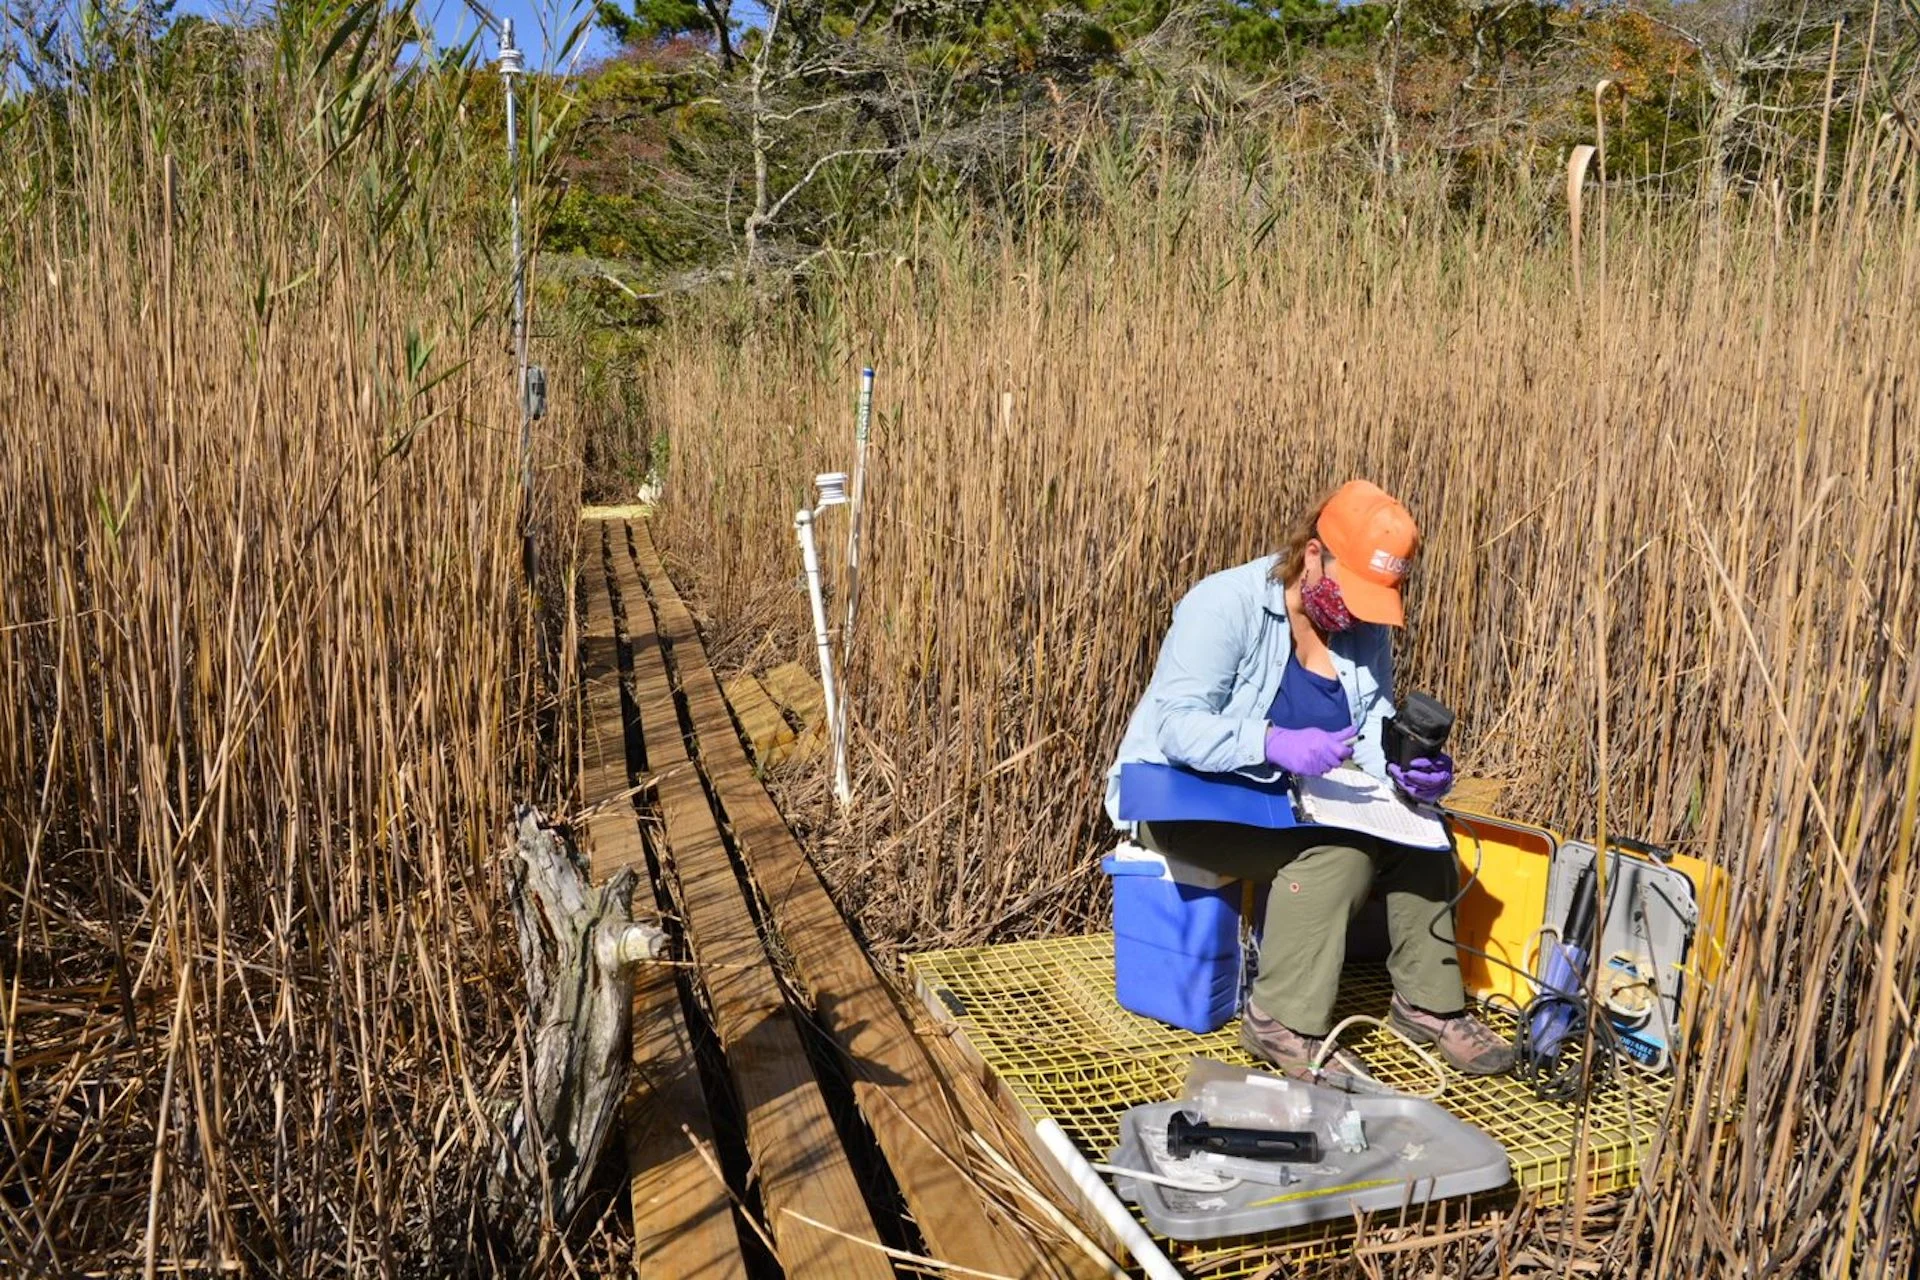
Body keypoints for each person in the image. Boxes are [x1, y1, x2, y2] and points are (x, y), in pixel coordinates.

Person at [1105, 480, 1513, 1078]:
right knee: (1340, 860)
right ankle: (1279, 1021)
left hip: (1290, 799)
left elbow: (1370, 724)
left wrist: (1404, 766)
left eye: (1373, 601)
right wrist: (1270, 742)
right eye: (1351, 594)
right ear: (1313, 553)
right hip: (1187, 796)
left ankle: (1428, 1005)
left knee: (1426, 839)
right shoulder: (1223, 604)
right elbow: (1175, 727)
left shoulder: (1362, 626)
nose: (1356, 614)